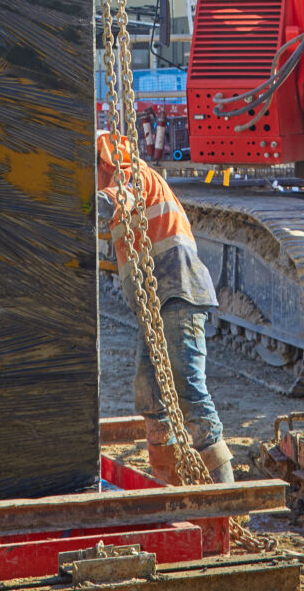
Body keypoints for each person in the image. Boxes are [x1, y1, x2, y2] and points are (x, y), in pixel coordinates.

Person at [96, 131, 232, 484]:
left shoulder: (131, 176)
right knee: (151, 393)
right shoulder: (130, 178)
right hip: (159, 305)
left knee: (188, 391)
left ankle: (225, 495)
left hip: (177, 296)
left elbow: (105, 205)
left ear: (103, 163)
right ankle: (169, 481)